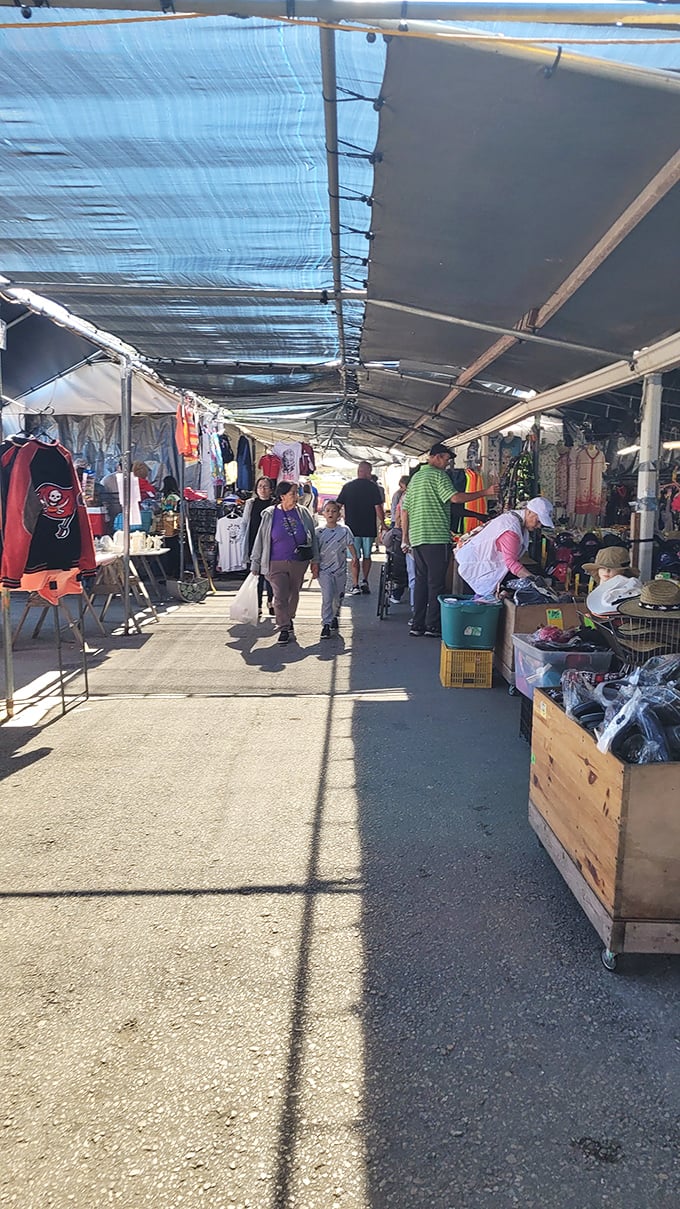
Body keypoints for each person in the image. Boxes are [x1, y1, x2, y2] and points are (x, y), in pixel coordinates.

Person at [400, 444, 498, 637]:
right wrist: (485, 493)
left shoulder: (416, 479)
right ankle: (432, 626)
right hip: (436, 537)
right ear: (436, 457)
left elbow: (405, 510)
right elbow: (455, 498)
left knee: (421, 581)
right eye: (446, 459)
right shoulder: (438, 476)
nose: (447, 463)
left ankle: (417, 624)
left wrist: (405, 537)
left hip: (417, 538)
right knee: (436, 583)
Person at [250, 481, 320, 645]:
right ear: (282, 496)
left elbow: (313, 538)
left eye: (297, 493)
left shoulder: (303, 513)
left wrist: (315, 561)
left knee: (293, 593)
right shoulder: (269, 514)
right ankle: (283, 627)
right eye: (293, 493)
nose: (297, 496)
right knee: (279, 595)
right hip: (275, 562)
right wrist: (255, 562)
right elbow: (261, 539)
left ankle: (289, 619)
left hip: (298, 562)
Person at [453, 496, 554, 599]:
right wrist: (533, 579)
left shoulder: (516, 519)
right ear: (529, 512)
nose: (539, 526)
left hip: (477, 564)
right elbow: (511, 563)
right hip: (474, 567)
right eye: (538, 521)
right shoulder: (511, 529)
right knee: (474, 609)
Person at [336, 461, 385, 595]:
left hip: (352, 528)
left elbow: (337, 505)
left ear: (359, 471)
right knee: (367, 556)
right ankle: (365, 580)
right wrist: (384, 524)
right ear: (368, 472)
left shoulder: (348, 487)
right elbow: (378, 508)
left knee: (354, 557)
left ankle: (355, 584)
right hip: (368, 528)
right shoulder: (373, 488)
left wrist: (333, 519)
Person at [313, 500, 358, 639]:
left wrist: (355, 558)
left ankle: (334, 616)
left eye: (334, 511)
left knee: (338, 596)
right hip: (324, 570)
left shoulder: (344, 530)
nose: (331, 513)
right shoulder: (319, 532)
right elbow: (314, 551)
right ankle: (326, 624)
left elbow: (350, 545)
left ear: (339, 514)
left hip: (340, 569)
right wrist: (314, 565)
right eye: (328, 511)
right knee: (327, 596)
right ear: (323, 513)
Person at [241, 476, 275, 616]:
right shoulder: (251, 503)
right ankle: (258, 604)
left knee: (271, 575)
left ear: (271, 490)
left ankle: (271, 601)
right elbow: (245, 523)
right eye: (260, 486)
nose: (262, 489)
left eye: (265, 486)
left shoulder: (275, 504)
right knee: (257, 575)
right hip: (254, 542)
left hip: (270, 543)